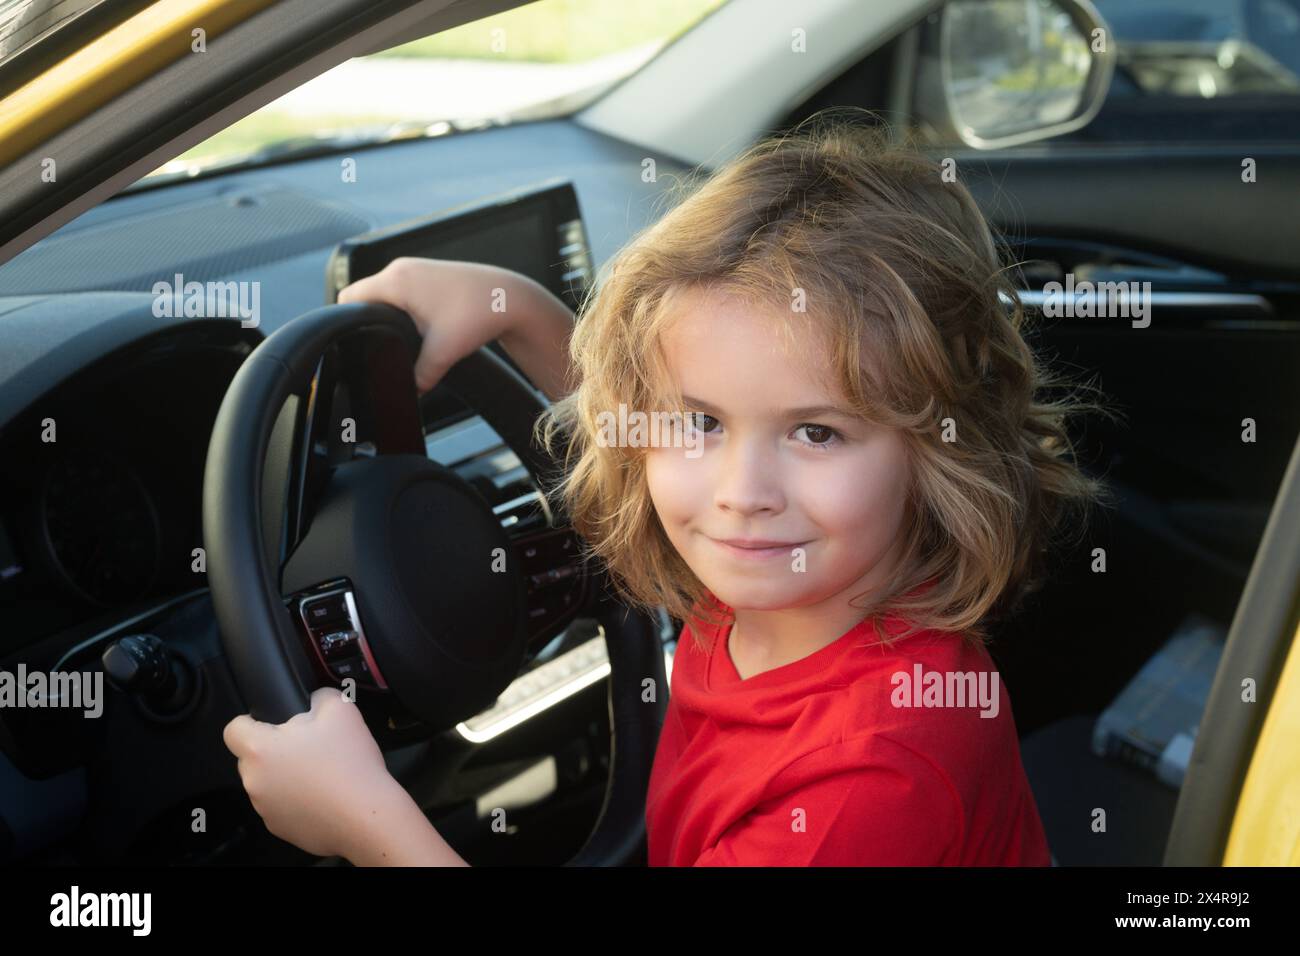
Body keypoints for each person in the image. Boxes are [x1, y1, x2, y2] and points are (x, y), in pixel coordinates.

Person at [222, 111, 1112, 866]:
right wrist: (520, 309)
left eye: (817, 432)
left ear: (939, 454)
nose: (739, 492)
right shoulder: (801, 575)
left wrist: (368, 827)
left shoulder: (873, 776)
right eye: (703, 423)